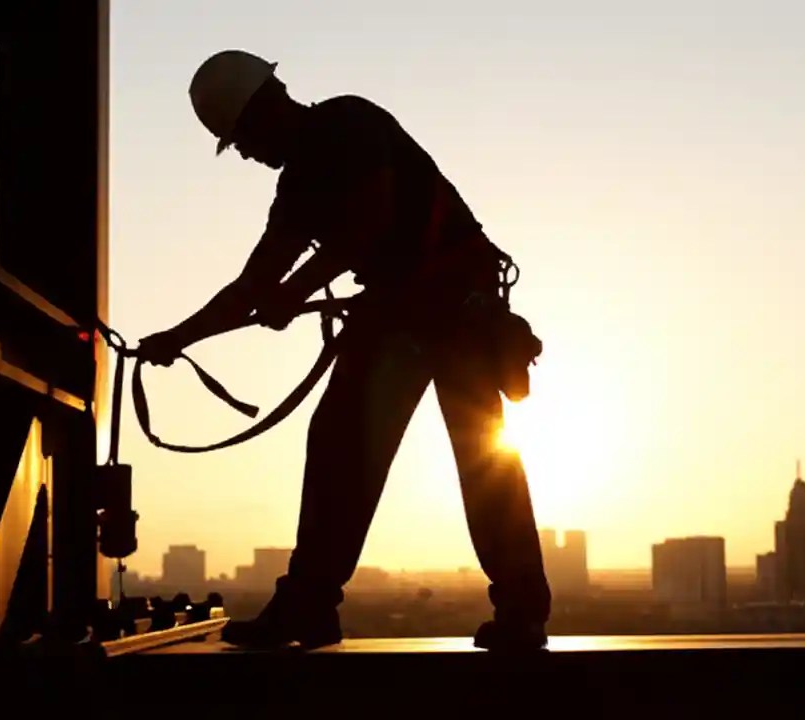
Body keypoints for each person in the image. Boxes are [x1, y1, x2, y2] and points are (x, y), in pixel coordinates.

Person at [137, 50, 551, 652]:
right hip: (405, 309)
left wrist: (293, 293)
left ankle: (517, 608)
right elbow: (253, 286)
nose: (247, 154)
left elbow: (372, 223)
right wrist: (177, 338)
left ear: (262, 112)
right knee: (345, 443)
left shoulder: (348, 123)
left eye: (243, 139)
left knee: (473, 455)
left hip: (453, 305)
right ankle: (313, 606)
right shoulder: (298, 183)